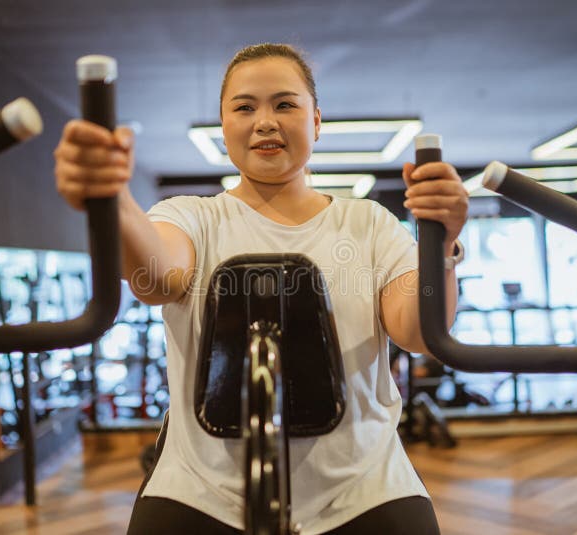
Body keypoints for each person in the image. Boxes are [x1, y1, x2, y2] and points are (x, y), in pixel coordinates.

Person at [54, 43, 468, 535]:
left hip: (362, 487)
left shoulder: (370, 224)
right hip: (204, 490)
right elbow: (158, 276)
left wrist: (441, 242)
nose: (265, 121)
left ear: (316, 121)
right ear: (224, 125)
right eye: (245, 107)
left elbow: (419, 331)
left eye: (285, 105)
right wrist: (112, 195)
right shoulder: (192, 217)